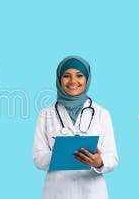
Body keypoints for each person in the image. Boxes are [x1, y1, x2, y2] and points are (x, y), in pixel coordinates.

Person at [32, 56, 118, 198]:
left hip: (92, 192)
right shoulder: (45, 114)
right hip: (57, 192)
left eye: (79, 75)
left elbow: (112, 158)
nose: (73, 81)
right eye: (66, 76)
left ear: (87, 79)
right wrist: (59, 155)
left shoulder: (102, 114)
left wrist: (99, 162)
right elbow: (38, 158)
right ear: (59, 79)